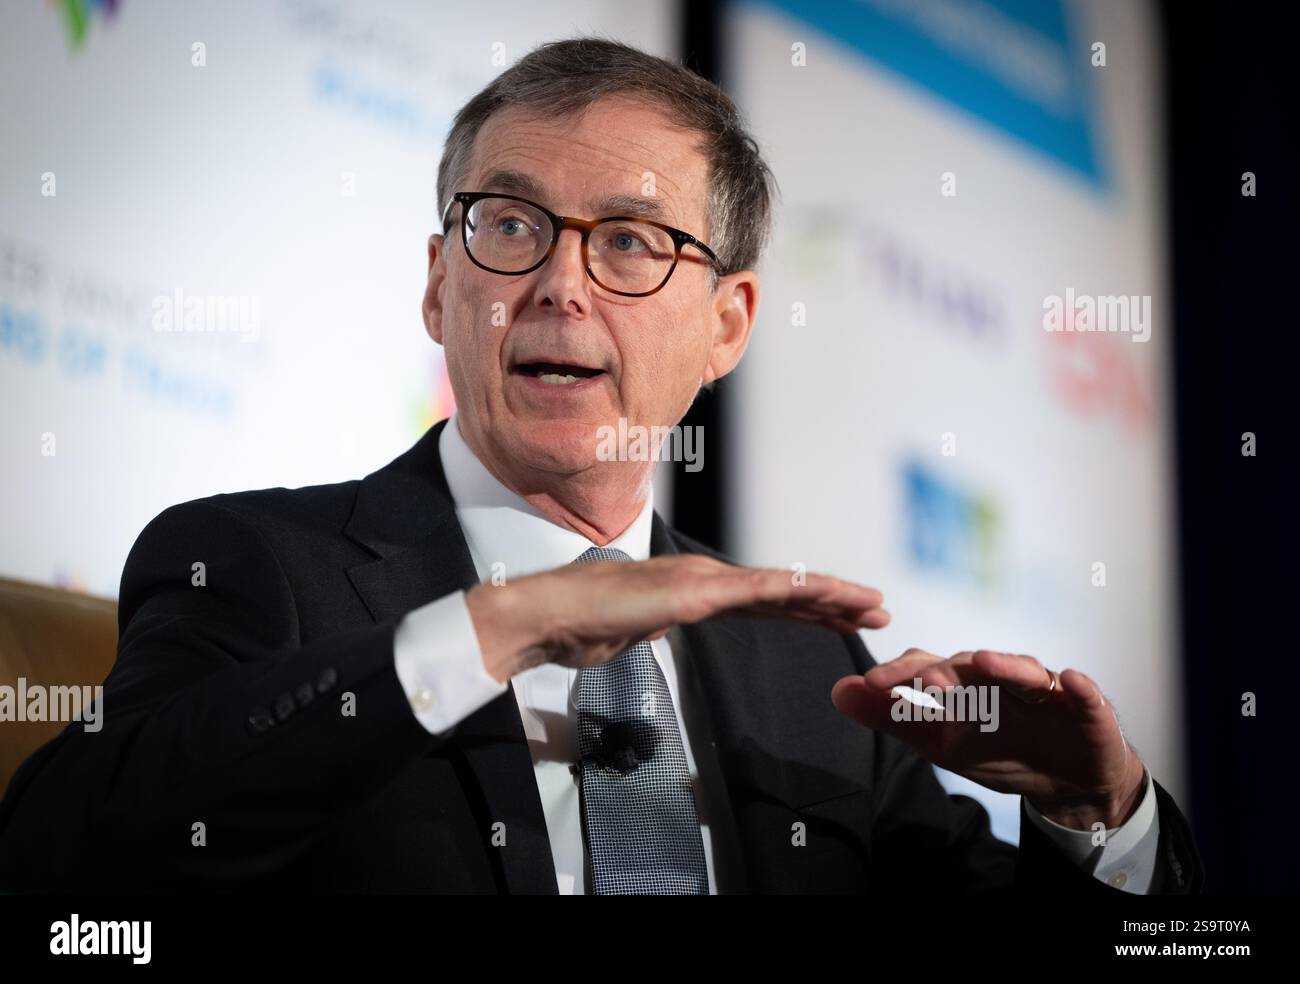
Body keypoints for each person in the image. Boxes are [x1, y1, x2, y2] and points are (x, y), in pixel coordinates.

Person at [0, 37, 1201, 894]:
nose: (560, 284)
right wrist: (497, 626)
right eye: (511, 226)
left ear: (727, 324)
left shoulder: (805, 672)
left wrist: (1100, 819)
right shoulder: (254, 566)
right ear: (440, 283)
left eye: (630, 240)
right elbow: (64, 863)